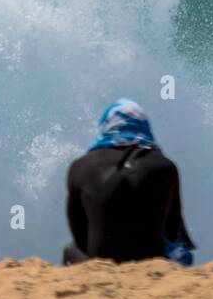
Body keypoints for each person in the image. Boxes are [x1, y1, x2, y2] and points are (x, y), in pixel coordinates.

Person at [62, 99, 197, 267]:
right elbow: (172, 230)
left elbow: (79, 235)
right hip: (151, 261)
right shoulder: (165, 166)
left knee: (70, 250)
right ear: (144, 127)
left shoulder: (79, 167)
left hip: (100, 262)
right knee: (181, 250)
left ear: (106, 126)